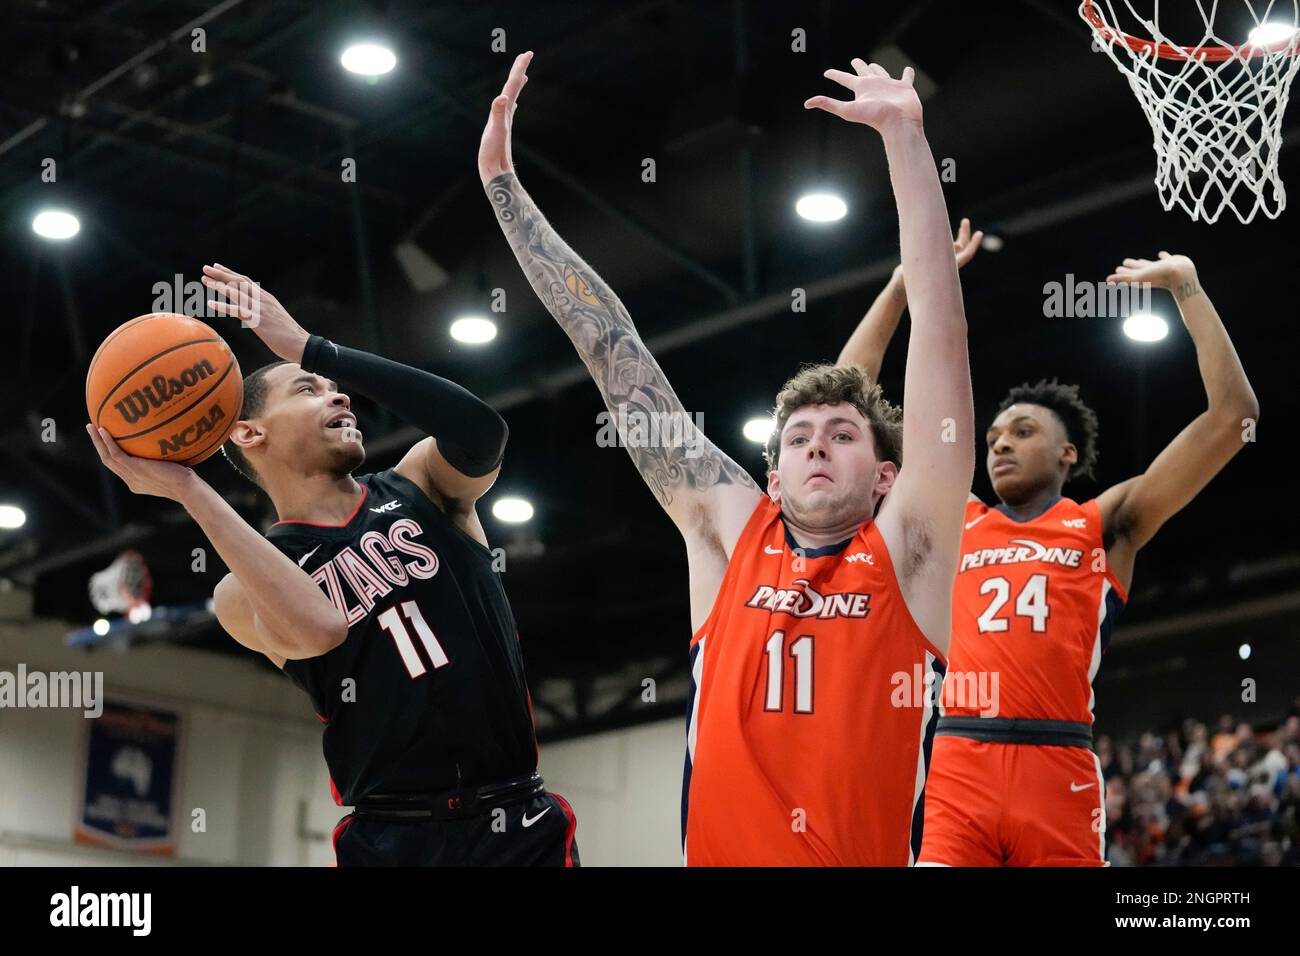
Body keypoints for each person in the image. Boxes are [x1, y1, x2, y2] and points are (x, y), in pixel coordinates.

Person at [480, 52, 973, 864]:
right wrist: (506, 190)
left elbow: (942, 337)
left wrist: (905, 140)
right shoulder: (728, 529)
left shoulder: (912, 552)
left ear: (887, 476)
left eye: (844, 433)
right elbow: (612, 347)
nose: (818, 442)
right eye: (801, 436)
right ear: (771, 477)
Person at [86, 267, 577, 866]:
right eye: (308, 389)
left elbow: (482, 431)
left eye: (333, 386)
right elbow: (321, 626)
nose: (339, 394)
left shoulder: (421, 482)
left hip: (517, 822)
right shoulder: (242, 591)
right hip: (394, 839)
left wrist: (313, 351)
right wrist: (189, 490)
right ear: (247, 430)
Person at [838, 242, 1258, 865]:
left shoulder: (1104, 525)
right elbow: (846, 409)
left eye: (1023, 431)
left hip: (1058, 764)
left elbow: (1234, 419)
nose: (1001, 443)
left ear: (1067, 454)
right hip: (959, 762)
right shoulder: (958, 521)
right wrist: (900, 289)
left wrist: (1188, 291)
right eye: (994, 436)